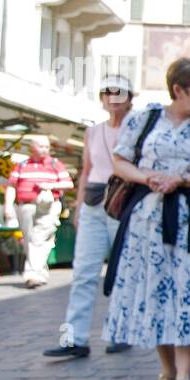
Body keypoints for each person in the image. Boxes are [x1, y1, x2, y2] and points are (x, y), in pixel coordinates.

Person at [104, 59, 190, 380]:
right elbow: (120, 161)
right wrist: (148, 177)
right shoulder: (144, 119)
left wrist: (181, 179)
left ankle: (186, 379)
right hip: (147, 220)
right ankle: (166, 373)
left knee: (188, 291)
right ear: (179, 90)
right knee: (157, 292)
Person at [43, 76, 135, 359]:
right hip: (94, 202)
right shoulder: (93, 132)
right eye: (107, 93)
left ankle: (120, 332)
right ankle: (75, 338)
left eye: (118, 93)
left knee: (121, 271)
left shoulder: (136, 128)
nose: (112, 98)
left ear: (130, 98)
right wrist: (79, 206)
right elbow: (86, 170)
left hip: (121, 202)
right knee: (83, 272)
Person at [4, 135, 72, 288]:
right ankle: (40, 271)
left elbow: (68, 184)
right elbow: (11, 186)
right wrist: (8, 206)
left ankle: (32, 274)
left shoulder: (55, 164)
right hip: (25, 205)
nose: (45, 150)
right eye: (41, 146)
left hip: (48, 206)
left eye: (47, 147)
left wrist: (50, 186)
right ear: (32, 147)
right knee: (30, 239)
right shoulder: (22, 165)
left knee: (39, 237)